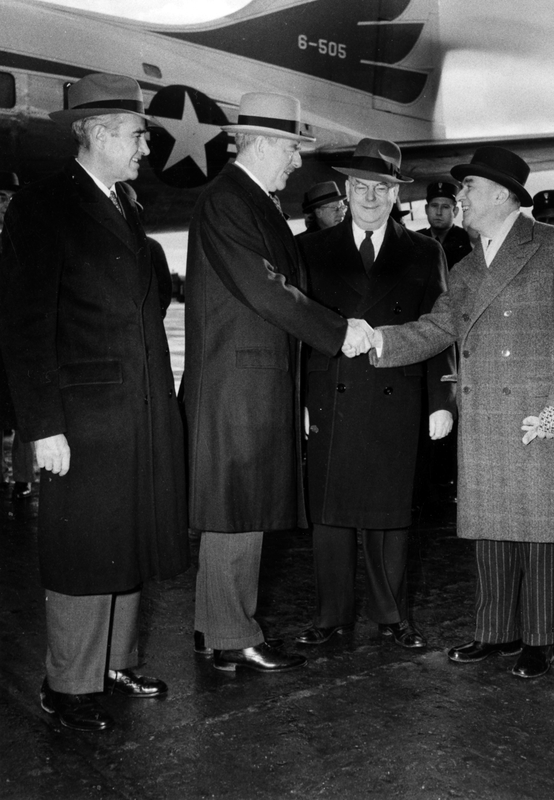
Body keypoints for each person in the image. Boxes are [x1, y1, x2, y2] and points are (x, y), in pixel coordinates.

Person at [364, 146, 554, 678]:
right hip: (489, 418)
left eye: (467, 190)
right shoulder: (469, 266)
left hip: (540, 415)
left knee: (539, 531)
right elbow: (436, 328)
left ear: (500, 194)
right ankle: (493, 632)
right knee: (490, 531)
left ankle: (538, 639)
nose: (459, 198)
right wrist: (374, 340)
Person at [0, 73, 190, 732]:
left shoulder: (125, 203)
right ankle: (69, 685)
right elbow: (24, 326)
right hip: (80, 417)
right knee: (83, 546)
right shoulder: (43, 205)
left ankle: (116, 661)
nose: (145, 148)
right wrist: (42, 426)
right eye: (139, 135)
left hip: (135, 408)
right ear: (102, 131)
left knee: (128, 534)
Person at [183, 93, 368, 674]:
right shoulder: (229, 201)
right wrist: (339, 332)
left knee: (239, 509)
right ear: (261, 142)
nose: (296, 162)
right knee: (237, 510)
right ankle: (232, 632)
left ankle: (215, 626)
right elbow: (266, 289)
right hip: (239, 383)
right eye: (291, 149)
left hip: (251, 380)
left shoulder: (247, 201)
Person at [296, 138, 455, 649]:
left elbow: (441, 326)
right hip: (329, 396)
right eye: (360, 186)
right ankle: (331, 617)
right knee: (330, 516)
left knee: (391, 516)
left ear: (395, 195)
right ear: (346, 191)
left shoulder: (425, 251)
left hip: (399, 396)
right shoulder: (310, 249)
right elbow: (294, 334)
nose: (369, 196)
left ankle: (392, 617)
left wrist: (441, 401)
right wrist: (296, 398)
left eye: (380, 187)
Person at [0, 171, 36, 503]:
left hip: (19, 343)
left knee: (25, 416)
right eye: (0, 198)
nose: (5, 205)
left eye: (9, 198)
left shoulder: (27, 240)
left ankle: (23, 479)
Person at [417, 181, 472, 268]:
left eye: (445, 207)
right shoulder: (415, 240)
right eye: (434, 206)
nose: (439, 212)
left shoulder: (467, 240)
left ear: (455, 211)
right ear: (426, 209)